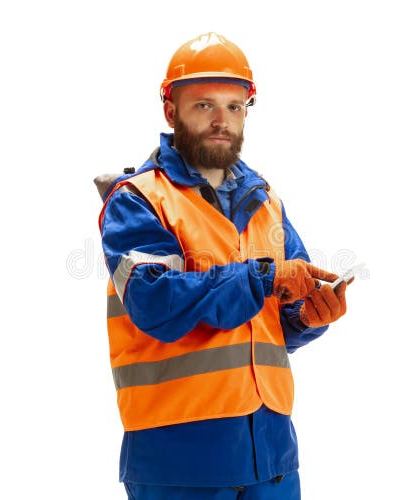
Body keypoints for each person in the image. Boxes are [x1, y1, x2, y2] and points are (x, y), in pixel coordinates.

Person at [95, 32, 351, 500]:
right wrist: (264, 277)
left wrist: (307, 318)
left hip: (272, 457)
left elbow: (269, 321)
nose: (221, 121)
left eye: (234, 106)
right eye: (204, 105)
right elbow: (157, 302)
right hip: (179, 459)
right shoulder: (138, 201)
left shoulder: (266, 202)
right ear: (171, 111)